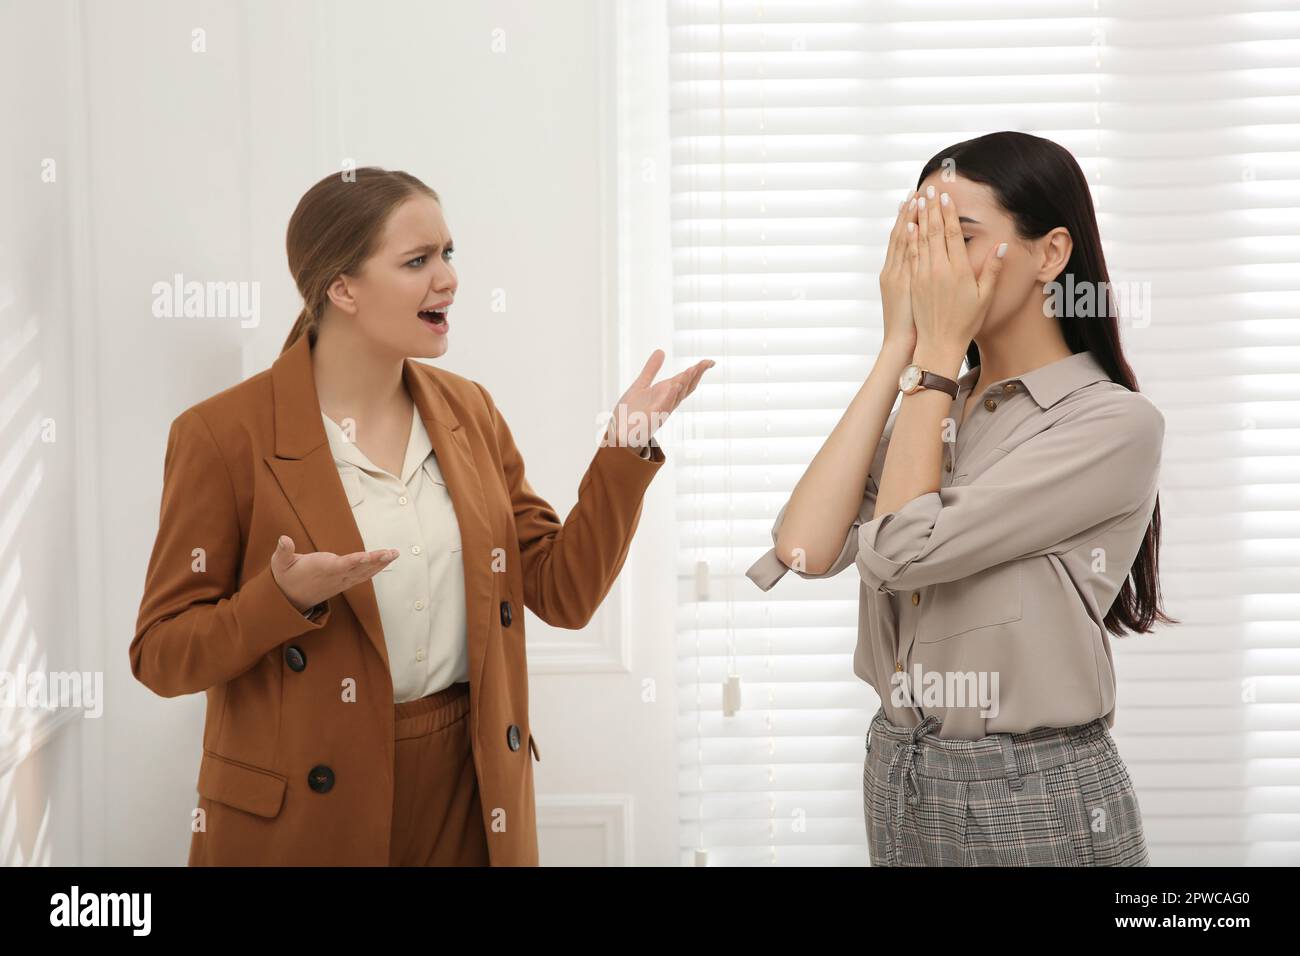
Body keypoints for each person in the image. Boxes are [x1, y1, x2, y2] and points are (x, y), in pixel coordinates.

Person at [131, 166, 713, 865]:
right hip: (306, 813)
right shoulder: (222, 435)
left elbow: (563, 592)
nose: (448, 278)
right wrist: (277, 600)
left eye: (448, 254)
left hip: (468, 787)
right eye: (417, 261)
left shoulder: (468, 409)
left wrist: (625, 450)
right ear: (342, 288)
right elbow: (160, 654)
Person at [747, 131, 1175, 866]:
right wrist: (899, 353)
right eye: (918, 238)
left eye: (958, 237)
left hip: (1029, 788)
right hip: (899, 770)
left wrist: (936, 360)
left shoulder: (1113, 424)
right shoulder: (937, 404)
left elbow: (900, 554)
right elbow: (805, 549)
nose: (931, 265)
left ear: (1051, 254)